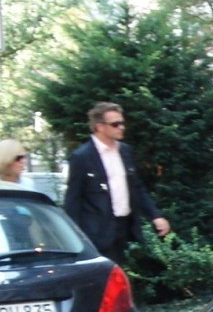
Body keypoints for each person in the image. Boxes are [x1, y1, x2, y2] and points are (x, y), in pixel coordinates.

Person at [64, 102, 170, 263]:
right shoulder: (82, 156)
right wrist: (74, 238)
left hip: (123, 228)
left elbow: (136, 187)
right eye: (115, 124)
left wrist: (155, 216)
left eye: (122, 123)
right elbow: (73, 200)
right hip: (96, 233)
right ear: (100, 127)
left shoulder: (125, 151)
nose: (121, 127)